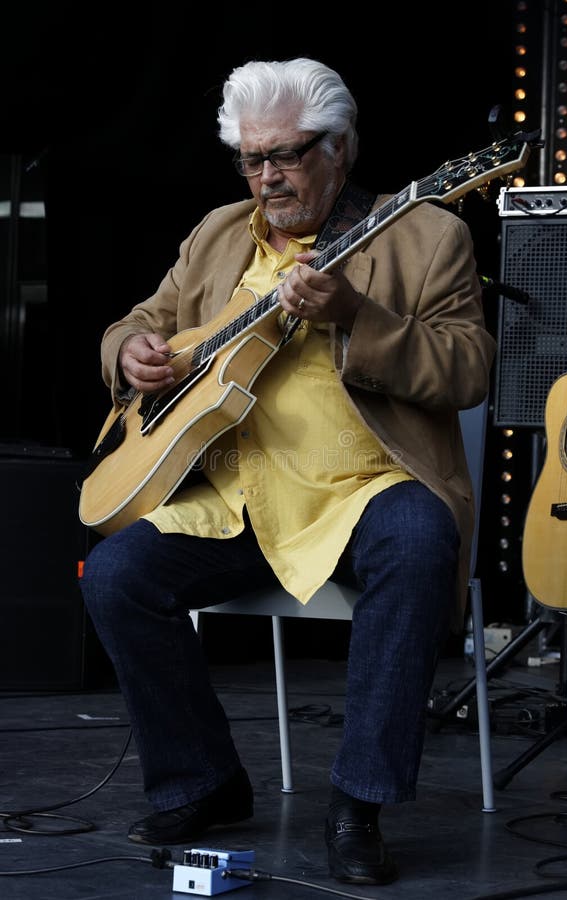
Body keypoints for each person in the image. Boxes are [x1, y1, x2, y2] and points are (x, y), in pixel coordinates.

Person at [79, 56, 496, 886]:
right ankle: (204, 781)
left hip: (363, 490)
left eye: (289, 155)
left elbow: (468, 369)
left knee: (418, 539)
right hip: (238, 497)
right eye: (253, 158)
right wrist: (127, 352)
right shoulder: (215, 235)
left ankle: (357, 803)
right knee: (118, 573)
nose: (268, 177)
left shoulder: (425, 234)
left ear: (340, 147)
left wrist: (357, 316)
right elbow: (139, 320)